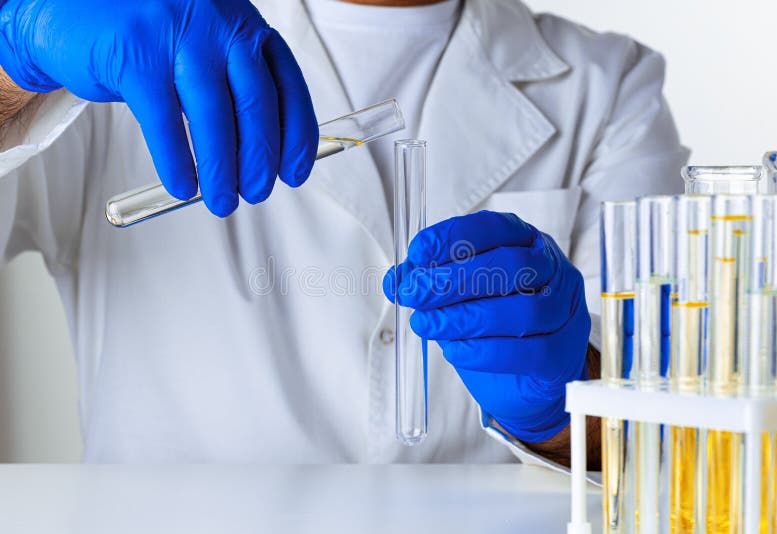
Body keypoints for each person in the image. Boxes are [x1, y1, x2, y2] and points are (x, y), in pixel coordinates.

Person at [0, 0, 687, 466]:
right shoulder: (130, 35)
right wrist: (15, 51)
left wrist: (564, 411)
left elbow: (661, 437)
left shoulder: (608, 86)